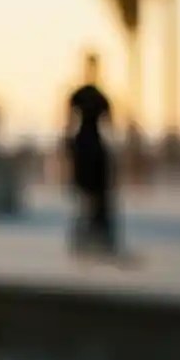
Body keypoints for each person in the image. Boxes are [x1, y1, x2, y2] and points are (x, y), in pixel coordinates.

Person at [65, 52, 121, 258]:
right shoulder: (81, 95)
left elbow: (110, 126)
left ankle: (100, 239)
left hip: (94, 147)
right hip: (85, 147)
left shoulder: (99, 96)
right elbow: (68, 123)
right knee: (85, 197)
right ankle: (85, 240)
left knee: (100, 196)